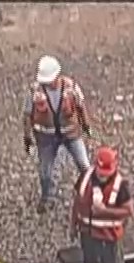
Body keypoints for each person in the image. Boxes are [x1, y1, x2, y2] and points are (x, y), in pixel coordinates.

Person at [72, 144, 134, 263]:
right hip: (88, 233)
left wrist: (105, 211)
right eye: (100, 171)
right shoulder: (85, 178)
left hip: (110, 238)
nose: (102, 175)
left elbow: (127, 211)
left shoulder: (120, 186)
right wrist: (73, 224)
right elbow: (77, 201)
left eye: (106, 172)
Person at [24, 56, 92, 213]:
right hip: (46, 137)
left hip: (70, 133)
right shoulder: (34, 92)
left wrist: (87, 127)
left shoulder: (72, 87)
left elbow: (81, 107)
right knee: (45, 172)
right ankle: (47, 197)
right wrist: (27, 137)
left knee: (85, 165)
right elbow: (27, 115)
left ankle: (86, 192)